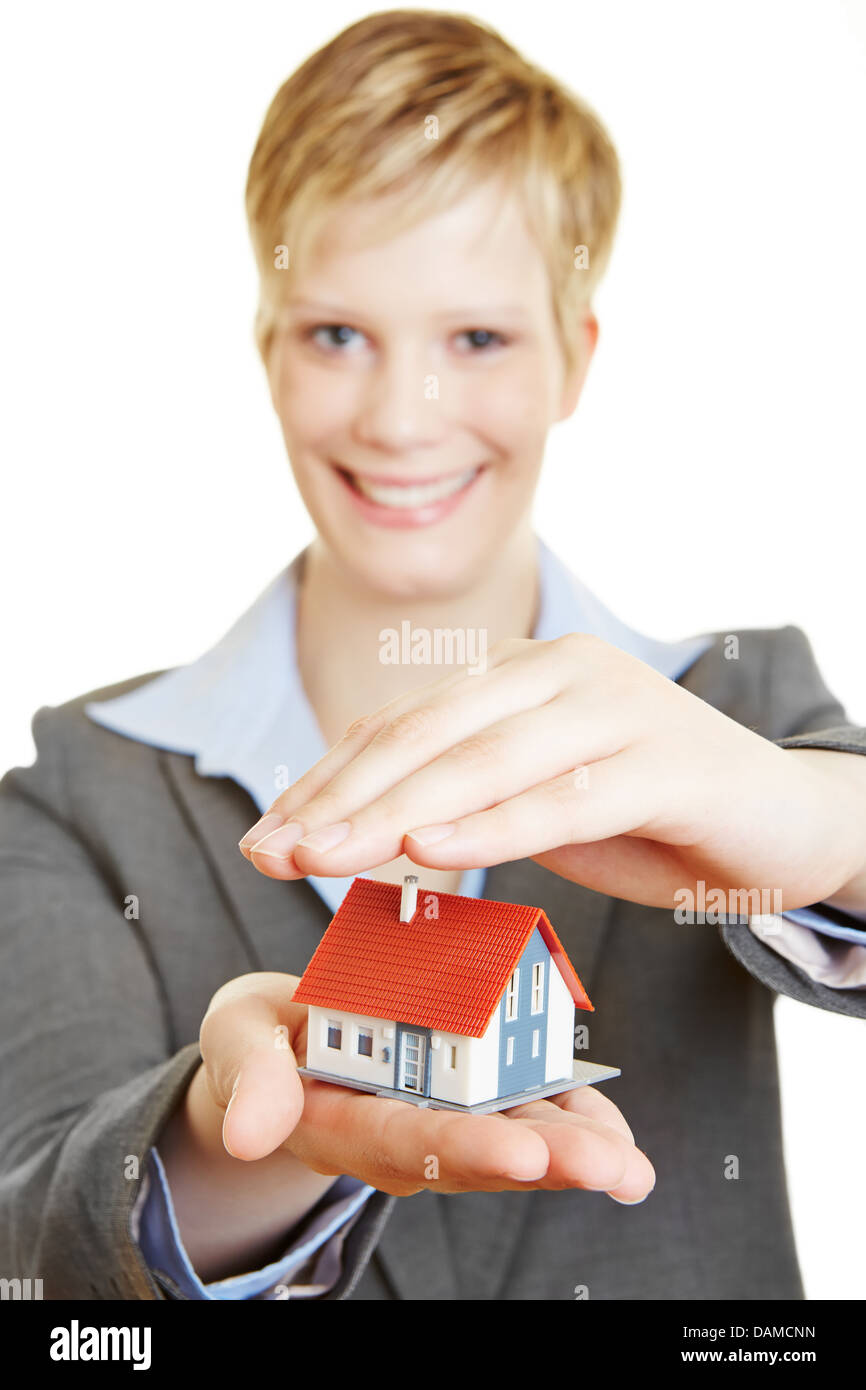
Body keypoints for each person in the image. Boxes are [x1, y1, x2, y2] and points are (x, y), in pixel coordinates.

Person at [2, 9, 865, 1302]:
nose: (402, 418)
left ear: (572, 360)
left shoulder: (734, 705)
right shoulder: (77, 792)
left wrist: (819, 816)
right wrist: (252, 1138)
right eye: (336, 333)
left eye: (477, 338)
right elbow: (39, 1254)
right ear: (268, 352)